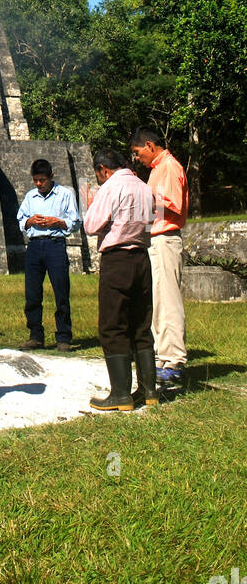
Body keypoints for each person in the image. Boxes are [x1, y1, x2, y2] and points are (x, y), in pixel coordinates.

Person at [82, 149, 157, 411]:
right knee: (141, 322)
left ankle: (121, 394)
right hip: (142, 257)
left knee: (113, 322)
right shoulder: (144, 187)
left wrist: (93, 205)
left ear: (103, 169)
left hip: (117, 258)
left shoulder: (111, 187)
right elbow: (150, 223)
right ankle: (149, 390)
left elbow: (91, 225)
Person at [130, 127, 189, 383]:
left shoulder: (169, 167)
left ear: (149, 146)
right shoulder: (156, 170)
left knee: (168, 301)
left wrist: (144, 199)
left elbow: (172, 205)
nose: (136, 158)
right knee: (155, 301)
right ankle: (160, 354)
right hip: (153, 239)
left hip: (165, 238)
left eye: (137, 152)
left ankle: (174, 359)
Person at [16, 158, 81, 352]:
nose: (38, 184)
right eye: (35, 180)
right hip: (34, 246)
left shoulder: (65, 194)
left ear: (51, 177)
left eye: (42, 180)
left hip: (55, 245)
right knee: (32, 293)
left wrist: (57, 222)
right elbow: (21, 220)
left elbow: (75, 221)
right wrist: (30, 221)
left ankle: (63, 336)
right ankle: (35, 335)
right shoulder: (30, 197)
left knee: (61, 292)